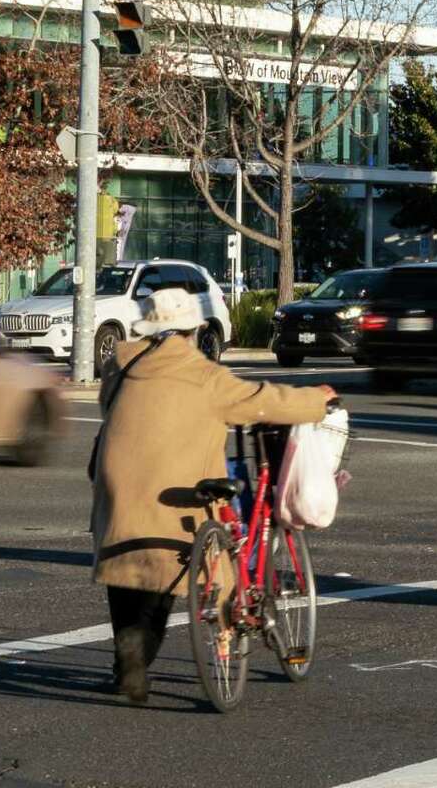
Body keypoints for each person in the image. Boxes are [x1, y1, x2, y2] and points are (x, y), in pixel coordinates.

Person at [89, 285, 337, 704]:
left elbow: (106, 409)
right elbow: (260, 400)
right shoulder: (205, 376)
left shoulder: (121, 367)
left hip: (118, 485)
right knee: (172, 571)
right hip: (179, 490)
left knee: (127, 569)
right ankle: (146, 654)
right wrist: (316, 401)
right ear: (191, 331)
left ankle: (126, 659)